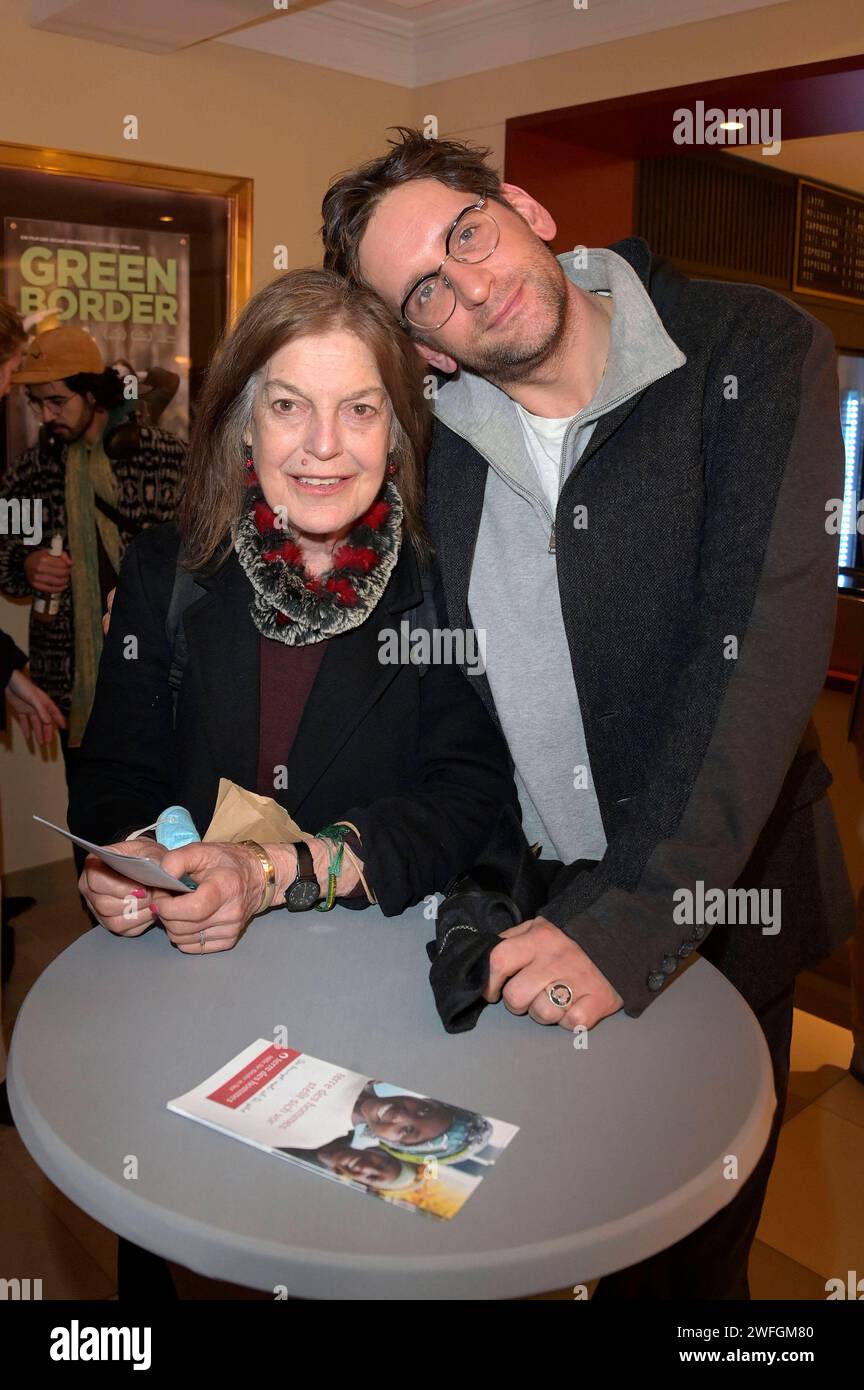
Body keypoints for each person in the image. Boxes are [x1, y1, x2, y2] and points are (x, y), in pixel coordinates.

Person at [320, 128, 857, 1300]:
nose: (469, 282)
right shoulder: (438, 452)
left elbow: (757, 663)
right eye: (426, 291)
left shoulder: (753, 350)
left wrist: (631, 922)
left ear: (523, 205)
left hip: (717, 910)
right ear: (424, 345)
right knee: (527, 1236)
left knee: (683, 1262)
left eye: (468, 232)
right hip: (534, 910)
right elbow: (425, 695)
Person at [69, 267, 518, 956]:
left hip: (372, 964)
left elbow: (465, 797)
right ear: (245, 425)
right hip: (191, 969)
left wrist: (274, 871)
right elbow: (117, 774)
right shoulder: (165, 571)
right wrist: (125, 860)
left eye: (361, 410)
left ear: (397, 436)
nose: (325, 444)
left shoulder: (439, 581)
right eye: (288, 406)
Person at [0, 326, 186, 814]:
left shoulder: (160, 456)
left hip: (159, 675)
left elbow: (202, 552)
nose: (45, 415)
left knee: (169, 810)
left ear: (91, 391)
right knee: (90, 809)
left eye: (57, 401)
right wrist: (27, 562)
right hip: (69, 682)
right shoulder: (30, 471)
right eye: (36, 404)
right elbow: (4, 554)